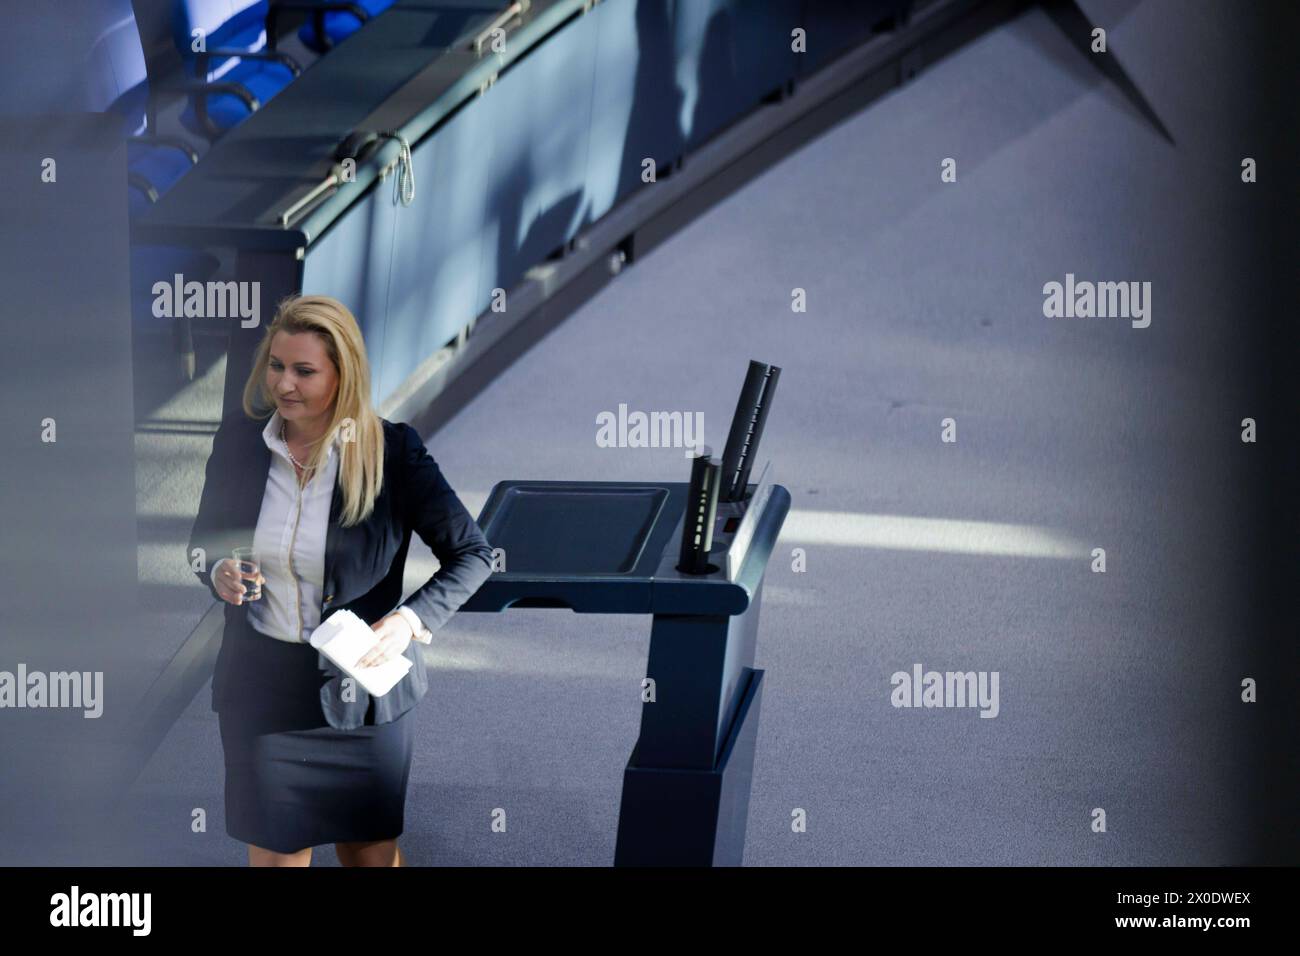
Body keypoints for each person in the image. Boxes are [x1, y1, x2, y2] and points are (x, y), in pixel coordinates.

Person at [188, 294, 494, 867]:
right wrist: (216, 569)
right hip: (264, 690)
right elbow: (203, 541)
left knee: (367, 855)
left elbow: (474, 554)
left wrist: (408, 622)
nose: (284, 384)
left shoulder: (393, 453)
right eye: (276, 365)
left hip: (361, 694)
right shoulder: (240, 442)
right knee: (276, 854)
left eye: (304, 371)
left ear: (342, 375)